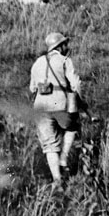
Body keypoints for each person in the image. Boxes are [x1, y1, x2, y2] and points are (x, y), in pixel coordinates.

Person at [29, 32, 84, 185]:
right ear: (60, 46)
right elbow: (75, 84)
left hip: (40, 107)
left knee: (49, 145)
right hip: (61, 104)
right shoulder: (65, 60)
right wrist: (80, 100)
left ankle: (57, 180)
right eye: (65, 44)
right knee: (72, 128)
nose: (67, 47)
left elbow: (32, 88)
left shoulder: (37, 62)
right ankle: (64, 158)